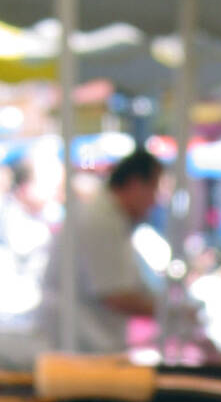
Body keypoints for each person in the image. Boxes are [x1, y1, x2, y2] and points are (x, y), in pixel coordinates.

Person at [38, 147, 162, 351]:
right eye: (153, 189)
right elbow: (116, 295)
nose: (154, 200)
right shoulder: (100, 220)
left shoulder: (110, 218)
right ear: (135, 184)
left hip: (87, 342)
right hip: (80, 345)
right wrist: (169, 311)